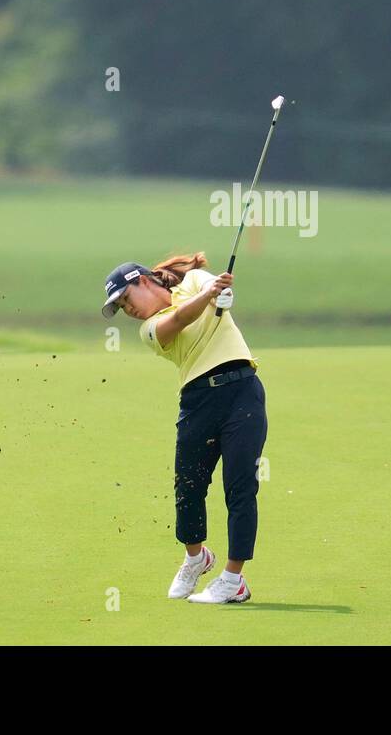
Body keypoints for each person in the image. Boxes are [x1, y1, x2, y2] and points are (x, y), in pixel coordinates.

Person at [101, 252, 267, 603]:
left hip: (242, 391)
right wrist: (210, 298)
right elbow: (177, 319)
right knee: (188, 487)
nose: (127, 311)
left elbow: (210, 286)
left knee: (240, 488)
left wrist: (220, 292)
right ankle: (196, 558)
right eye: (120, 308)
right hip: (198, 401)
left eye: (126, 299)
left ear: (142, 280)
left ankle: (233, 579)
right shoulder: (149, 330)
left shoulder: (193, 281)